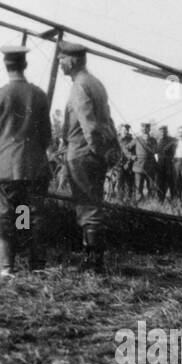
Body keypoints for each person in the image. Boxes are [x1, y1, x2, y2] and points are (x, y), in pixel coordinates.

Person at [0, 45, 53, 277]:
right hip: (33, 167)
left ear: (6, 66)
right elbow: (47, 137)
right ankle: (36, 264)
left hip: (5, 167)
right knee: (29, 214)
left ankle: (7, 266)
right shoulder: (39, 95)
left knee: (7, 214)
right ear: (25, 65)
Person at [57, 42, 118, 274]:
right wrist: (109, 150)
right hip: (92, 153)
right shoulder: (95, 83)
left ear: (72, 61)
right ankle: (91, 259)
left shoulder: (79, 86)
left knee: (87, 207)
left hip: (83, 154)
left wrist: (95, 151)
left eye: (62, 58)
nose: (60, 63)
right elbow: (108, 120)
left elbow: (89, 124)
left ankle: (94, 264)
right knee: (90, 205)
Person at [131, 122, 159, 200]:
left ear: (149, 129)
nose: (144, 130)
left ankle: (151, 201)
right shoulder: (137, 139)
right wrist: (131, 156)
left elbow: (156, 152)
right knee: (138, 186)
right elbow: (127, 148)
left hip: (151, 166)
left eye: (146, 128)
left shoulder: (153, 140)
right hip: (139, 166)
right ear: (141, 129)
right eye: (142, 128)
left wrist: (156, 162)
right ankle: (139, 201)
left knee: (151, 186)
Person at [155, 125, 177, 201]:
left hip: (169, 164)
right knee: (160, 182)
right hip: (160, 164)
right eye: (161, 131)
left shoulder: (172, 140)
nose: (162, 133)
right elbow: (155, 153)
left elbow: (176, 147)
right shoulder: (158, 141)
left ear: (167, 131)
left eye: (164, 131)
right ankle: (161, 199)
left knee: (171, 182)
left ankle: (173, 198)